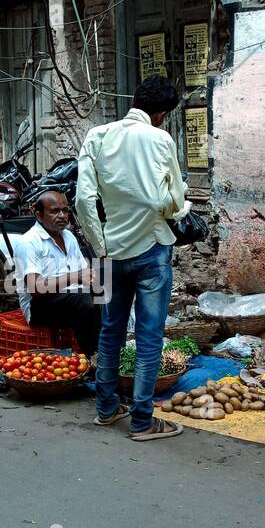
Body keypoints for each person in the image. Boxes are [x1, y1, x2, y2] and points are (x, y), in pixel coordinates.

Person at [75, 75, 190, 442]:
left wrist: (99, 244)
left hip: (110, 250)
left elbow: (82, 201)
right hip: (151, 250)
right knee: (148, 336)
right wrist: (181, 206)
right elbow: (169, 200)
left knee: (109, 331)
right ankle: (141, 421)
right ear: (160, 114)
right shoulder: (160, 139)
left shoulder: (97, 136)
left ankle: (106, 409)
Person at [13, 190, 102, 358]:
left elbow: (84, 273)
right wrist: (75, 277)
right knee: (82, 300)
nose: (62, 215)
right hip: (39, 307)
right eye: (54, 211)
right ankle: (92, 357)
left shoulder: (68, 237)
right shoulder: (28, 242)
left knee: (107, 294)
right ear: (39, 215)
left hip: (70, 298)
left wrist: (94, 280)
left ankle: (109, 354)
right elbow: (36, 289)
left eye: (65, 210)